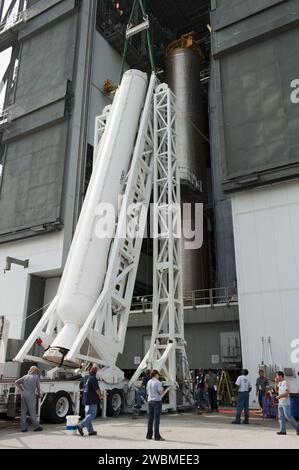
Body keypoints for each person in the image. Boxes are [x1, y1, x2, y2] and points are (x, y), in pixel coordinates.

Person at [15, 366, 43, 433]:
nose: (37, 372)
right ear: (35, 371)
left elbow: (16, 382)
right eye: (37, 371)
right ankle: (36, 427)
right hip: (31, 395)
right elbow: (38, 388)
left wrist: (22, 389)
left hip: (24, 394)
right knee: (32, 411)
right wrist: (39, 394)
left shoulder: (25, 376)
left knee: (23, 412)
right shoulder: (36, 377)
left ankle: (23, 428)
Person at [77, 366, 102, 437]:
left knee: (88, 415)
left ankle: (90, 431)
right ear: (95, 373)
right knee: (92, 414)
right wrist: (101, 396)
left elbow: (80, 386)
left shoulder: (85, 377)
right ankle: (80, 425)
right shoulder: (93, 378)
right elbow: (97, 389)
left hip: (86, 399)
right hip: (92, 399)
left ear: (90, 371)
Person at [274, 371, 299, 436]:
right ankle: (282, 430)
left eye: (277, 376)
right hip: (280, 402)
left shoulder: (285, 382)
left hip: (285, 403)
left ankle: (298, 428)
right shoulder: (280, 383)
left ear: (280, 376)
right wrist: (276, 382)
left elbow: (286, 393)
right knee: (281, 417)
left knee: (288, 417)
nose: (276, 377)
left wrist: (279, 396)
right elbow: (276, 390)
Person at [146, 370, 165, 441]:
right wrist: (163, 392)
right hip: (157, 402)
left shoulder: (149, 382)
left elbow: (147, 392)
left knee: (150, 419)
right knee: (156, 419)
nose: (159, 376)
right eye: (158, 375)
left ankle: (149, 435)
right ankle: (157, 436)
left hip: (150, 401)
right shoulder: (158, 382)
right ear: (156, 375)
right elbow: (161, 392)